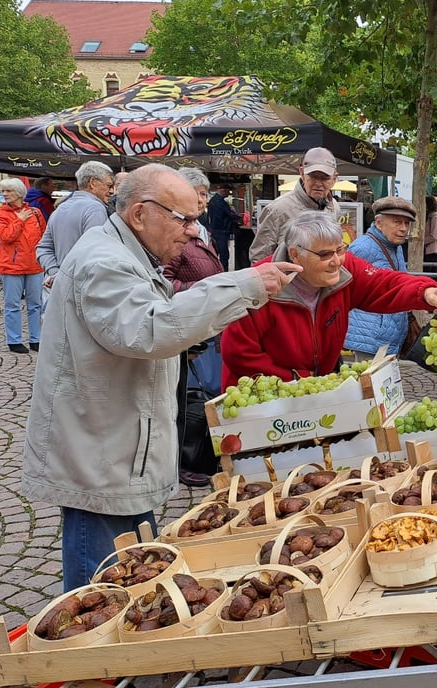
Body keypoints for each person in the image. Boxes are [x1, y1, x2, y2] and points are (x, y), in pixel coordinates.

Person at [21, 164, 301, 592]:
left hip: (119, 447)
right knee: (103, 586)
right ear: (139, 214)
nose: (193, 231)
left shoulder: (126, 253)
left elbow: (148, 324)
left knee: (132, 571)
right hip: (102, 451)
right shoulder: (105, 261)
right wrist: (243, 286)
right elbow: (149, 330)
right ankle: (97, 657)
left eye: (197, 218)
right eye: (184, 218)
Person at [221, 211, 437, 388]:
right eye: (324, 254)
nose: (336, 261)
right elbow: (238, 352)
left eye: (340, 250)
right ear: (295, 254)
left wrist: (426, 292)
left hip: (314, 390)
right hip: (260, 398)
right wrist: (297, 380)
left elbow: (382, 283)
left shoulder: (344, 269)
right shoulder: (259, 285)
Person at [163, 167, 226, 488]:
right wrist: (199, 290)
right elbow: (163, 280)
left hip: (204, 322)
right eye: (196, 194)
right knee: (190, 395)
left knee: (208, 388)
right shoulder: (175, 235)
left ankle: (200, 454)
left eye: (203, 194)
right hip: (187, 323)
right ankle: (183, 460)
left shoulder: (201, 229)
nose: (202, 200)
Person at [344, 197, 418, 360]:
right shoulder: (363, 247)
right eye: (397, 222)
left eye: (407, 223)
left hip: (388, 336)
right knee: (368, 383)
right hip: (370, 337)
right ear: (378, 223)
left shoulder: (395, 246)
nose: (403, 229)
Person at [249, 147, 341, 263]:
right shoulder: (277, 210)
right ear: (302, 173)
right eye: (313, 176)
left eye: (324, 178)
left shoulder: (334, 207)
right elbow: (259, 259)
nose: (318, 183)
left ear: (334, 179)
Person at [36, 161, 115, 288]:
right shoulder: (95, 208)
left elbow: (43, 248)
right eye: (108, 185)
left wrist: (57, 274)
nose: (111, 191)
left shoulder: (60, 209)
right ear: (93, 182)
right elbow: (95, 253)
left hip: (66, 287)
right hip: (87, 287)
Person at [0, 178, 47, 353]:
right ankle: (14, 340)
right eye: (3, 191)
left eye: (8, 191)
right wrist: (19, 220)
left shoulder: (36, 213)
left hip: (34, 265)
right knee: (12, 305)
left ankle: (36, 338)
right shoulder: (0, 214)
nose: (5, 194)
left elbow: (44, 236)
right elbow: (6, 236)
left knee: (35, 304)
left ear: (19, 193)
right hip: (12, 266)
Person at [206, 183, 242, 270]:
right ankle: (223, 271)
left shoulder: (213, 200)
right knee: (224, 254)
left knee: (216, 252)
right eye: (228, 191)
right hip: (221, 231)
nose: (228, 194)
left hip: (215, 230)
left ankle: (215, 270)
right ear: (223, 190)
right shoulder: (220, 202)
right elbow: (229, 215)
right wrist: (238, 218)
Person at [423, 194, 437, 263]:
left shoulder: (434, 218)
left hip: (433, 251)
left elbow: (433, 236)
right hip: (427, 251)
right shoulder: (429, 217)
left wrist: (421, 243)